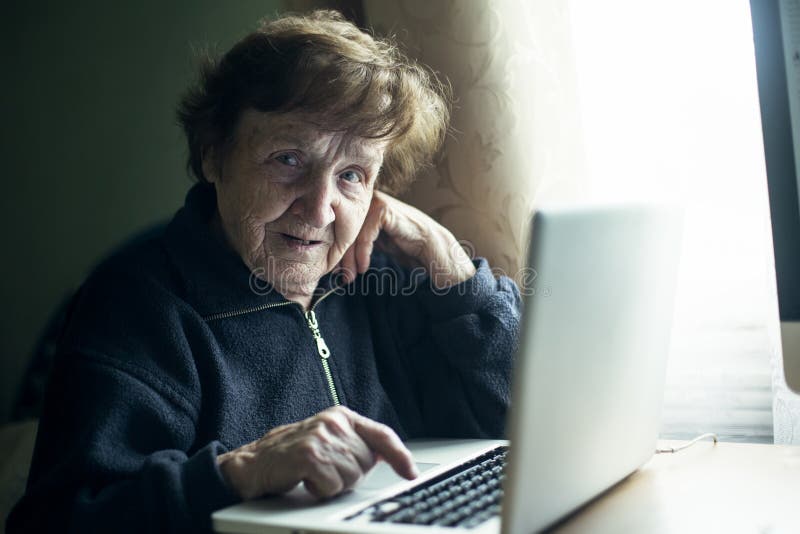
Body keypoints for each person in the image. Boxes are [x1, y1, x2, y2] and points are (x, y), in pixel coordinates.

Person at [7, 10, 520, 534]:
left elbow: (528, 430)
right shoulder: (138, 304)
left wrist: (453, 269)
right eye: (288, 159)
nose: (320, 210)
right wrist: (239, 472)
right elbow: (60, 520)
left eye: (352, 175)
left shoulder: (384, 277)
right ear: (214, 155)